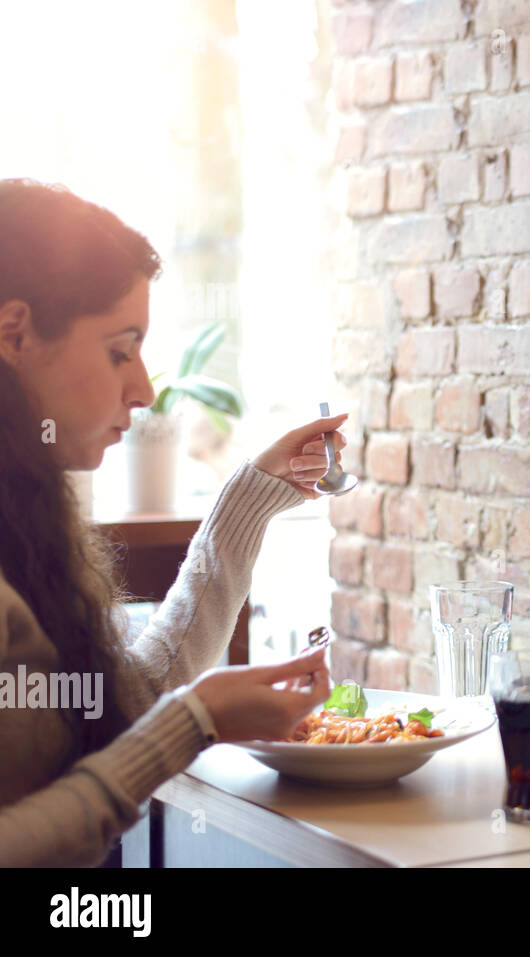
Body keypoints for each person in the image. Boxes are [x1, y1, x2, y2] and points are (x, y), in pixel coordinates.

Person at [0, 179, 346, 865]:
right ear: (15, 332)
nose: (145, 389)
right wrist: (196, 720)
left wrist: (248, 500)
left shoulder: (30, 514)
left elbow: (129, 701)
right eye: (119, 350)